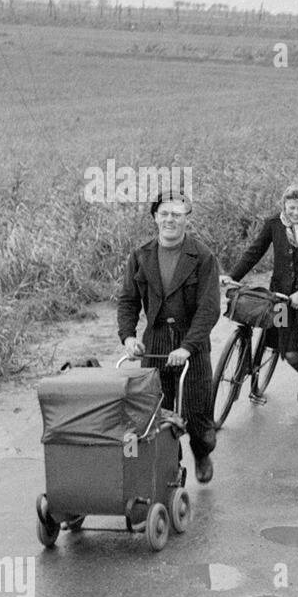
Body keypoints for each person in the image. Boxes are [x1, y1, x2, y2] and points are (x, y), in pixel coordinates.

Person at [117, 193, 221, 482]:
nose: (170, 219)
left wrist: (188, 347)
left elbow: (209, 308)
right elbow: (127, 301)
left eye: (177, 214)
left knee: (197, 414)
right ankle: (169, 472)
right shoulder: (141, 256)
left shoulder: (202, 257)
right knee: (155, 413)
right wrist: (128, 337)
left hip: (192, 345)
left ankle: (201, 452)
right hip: (157, 342)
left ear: (187, 218)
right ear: (155, 218)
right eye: (164, 214)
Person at [222, 183, 298, 424]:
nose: (295, 213)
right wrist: (233, 276)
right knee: (288, 351)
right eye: (291, 207)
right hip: (281, 297)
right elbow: (255, 252)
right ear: (283, 206)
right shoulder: (274, 224)